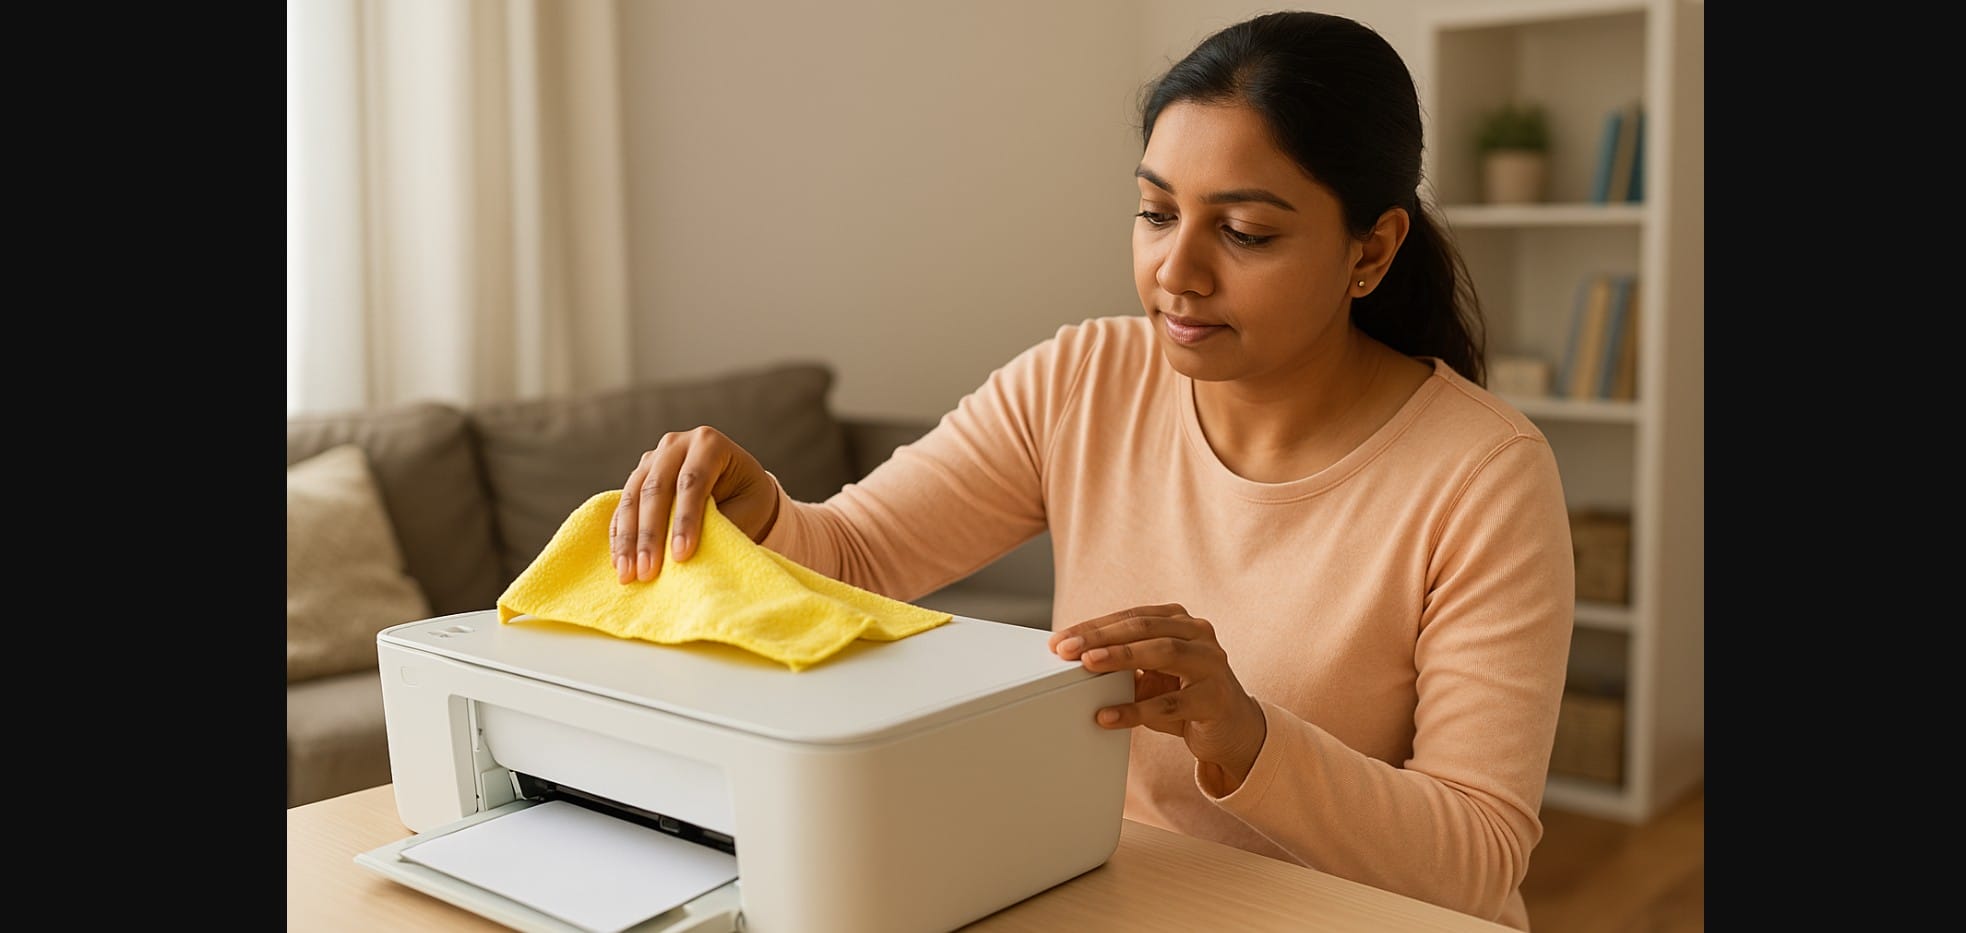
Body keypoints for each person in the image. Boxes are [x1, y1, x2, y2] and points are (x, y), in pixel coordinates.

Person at [607, 11, 1573, 930]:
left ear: (1373, 247)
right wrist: (759, 508)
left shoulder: (1483, 474)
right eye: (1156, 212)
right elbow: (858, 557)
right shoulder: (1084, 378)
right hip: (1126, 894)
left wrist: (1246, 737)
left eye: (1243, 232)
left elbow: (1478, 856)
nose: (1176, 272)